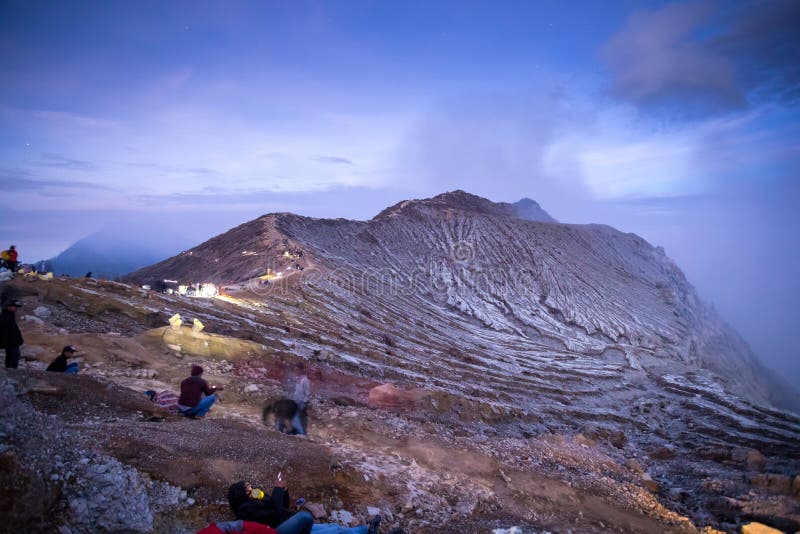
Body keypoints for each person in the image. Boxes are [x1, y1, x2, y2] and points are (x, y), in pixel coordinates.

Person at [227, 479, 380, 534]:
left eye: (249, 486)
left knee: (335, 528)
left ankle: (365, 530)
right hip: (278, 531)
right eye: (246, 489)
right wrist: (277, 489)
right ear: (240, 495)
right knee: (307, 519)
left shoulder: (258, 500)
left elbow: (281, 507)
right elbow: (274, 510)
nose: (250, 489)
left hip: (286, 524)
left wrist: (284, 492)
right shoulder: (245, 510)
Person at [0, 299, 24, 368]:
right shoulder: (5, 317)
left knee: (11, 358)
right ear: (8, 306)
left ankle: (10, 372)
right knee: (13, 359)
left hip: (12, 342)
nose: (16, 308)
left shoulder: (10, 315)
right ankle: (11, 373)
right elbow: (4, 330)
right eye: (14, 306)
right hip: (11, 342)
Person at [291, 362, 311, 435]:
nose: (295, 371)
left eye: (297, 370)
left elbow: (307, 392)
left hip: (301, 402)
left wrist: (304, 402)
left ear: (301, 370)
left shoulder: (305, 380)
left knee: (296, 416)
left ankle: (301, 433)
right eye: (294, 370)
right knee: (295, 416)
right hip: (295, 400)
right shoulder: (297, 378)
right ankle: (295, 432)